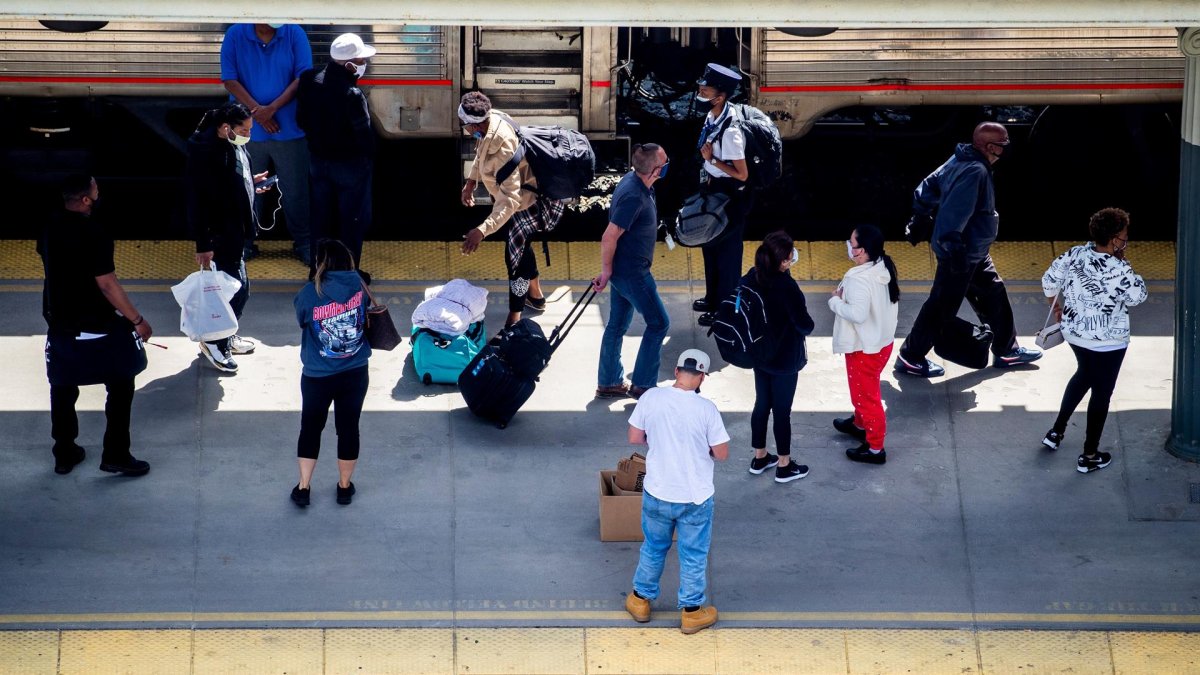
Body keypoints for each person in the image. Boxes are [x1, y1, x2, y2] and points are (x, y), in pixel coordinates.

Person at [894, 121, 1042, 377]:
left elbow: (929, 184)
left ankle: (1007, 349)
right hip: (960, 254)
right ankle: (911, 357)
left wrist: (921, 214)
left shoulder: (961, 157)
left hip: (974, 252)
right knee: (940, 307)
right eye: (1002, 146)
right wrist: (954, 250)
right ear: (990, 147)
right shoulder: (975, 171)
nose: (1004, 152)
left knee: (994, 293)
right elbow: (953, 216)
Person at [38, 175, 153, 477]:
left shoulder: (50, 227)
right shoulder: (95, 233)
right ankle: (116, 453)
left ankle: (64, 452)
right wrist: (137, 320)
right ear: (87, 200)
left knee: (62, 386)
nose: (99, 193)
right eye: (96, 190)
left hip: (60, 321)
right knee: (121, 384)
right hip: (98, 322)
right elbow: (106, 284)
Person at [623, 349, 729, 635]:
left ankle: (640, 601)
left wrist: (658, 439)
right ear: (702, 377)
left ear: (677, 371)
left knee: (654, 546)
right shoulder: (706, 409)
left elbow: (634, 437)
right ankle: (692, 613)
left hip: (658, 491)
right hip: (695, 497)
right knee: (693, 553)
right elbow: (721, 453)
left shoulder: (651, 398)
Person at [1040, 208, 1147, 473]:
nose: (1126, 239)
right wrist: (1127, 267)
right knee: (1102, 393)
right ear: (1114, 240)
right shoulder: (1120, 268)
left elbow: (1049, 281)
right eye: (1123, 236)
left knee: (1083, 376)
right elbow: (1138, 296)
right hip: (1109, 343)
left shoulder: (1075, 253)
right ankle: (1089, 455)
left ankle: (1056, 432)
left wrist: (1056, 309)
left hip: (1075, 334)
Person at [458, 91, 569, 327]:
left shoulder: (503, 147)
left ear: (476, 123)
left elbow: (510, 201)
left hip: (528, 205)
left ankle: (515, 316)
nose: (466, 131)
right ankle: (536, 296)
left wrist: (482, 230)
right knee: (523, 250)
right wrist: (471, 182)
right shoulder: (492, 120)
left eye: (466, 126)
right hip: (521, 199)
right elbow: (481, 152)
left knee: (515, 260)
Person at [221, 22, 314, 264]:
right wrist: (258, 112)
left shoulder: (294, 33)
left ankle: (304, 242)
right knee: (245, 189)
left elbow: (303, 77)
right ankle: (244, 244)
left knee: (296, 191)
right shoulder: (235, 34)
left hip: (289, 127)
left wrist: (269, 110)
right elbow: (229, 79)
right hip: (247, 128)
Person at [186, 102, 268, 373]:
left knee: (237, 288)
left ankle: (226, 336)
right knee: (231, 290)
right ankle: (215, 343)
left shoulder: (230, 144)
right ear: (225, 128)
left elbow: (231, 177)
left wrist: (249, 184)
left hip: (234, 229)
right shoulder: (206, 152)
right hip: (220, 232)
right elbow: (197, 200)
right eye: (244, 129)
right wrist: (203, 244)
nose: (248, 135)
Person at [292, 239, 372, 506]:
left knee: (310, 428)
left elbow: (302, 319)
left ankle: (304, 488)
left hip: (317, 374)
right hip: (355, 371)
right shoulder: (360, 286)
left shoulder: (308, 293)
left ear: (320, 264)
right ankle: (344, 487)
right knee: (349, 428)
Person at [592, 143, 671, 400]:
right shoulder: (634, 197)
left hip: (622, 271)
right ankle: (643, 384)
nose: (667, 166)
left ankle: (609, 381)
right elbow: (609, 236)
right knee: (659, 323)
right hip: (633, 274)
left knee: (616, 325)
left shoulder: (632, 179)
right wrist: (606, 271)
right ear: (654, 171)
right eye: (664, 164)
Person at [297, 33, 376, 272]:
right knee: (351, 221)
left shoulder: (309, 80)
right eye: (361, 60)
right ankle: (348, 272)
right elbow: (364, 134)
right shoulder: (352, 94)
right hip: (350, 166)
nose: (364, 65)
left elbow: (300, 120)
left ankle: (318, 271)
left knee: (321, 220)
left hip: (318, 162)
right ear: (350, 64)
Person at [743, 231, 815, 483]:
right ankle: (784, 465)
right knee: (782, 411)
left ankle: (760, 456)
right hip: (784, 359)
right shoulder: (786, 286)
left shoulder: (752, 277)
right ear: (784, 261)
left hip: (760, 354)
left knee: (762, 404)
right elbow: (805, 325)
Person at [829, 224, 901, 464]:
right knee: (864, 392)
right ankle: (859, 424)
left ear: (862, 251)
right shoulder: (882, 267)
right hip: (880, 343)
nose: (849, 246)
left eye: (852, 243)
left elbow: (857, 314)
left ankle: (875, 448)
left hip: (864, 349)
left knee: (866, 398)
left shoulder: (859, 280)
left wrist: (835, 302)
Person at [691, 63, 752, 329]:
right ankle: (712, 297)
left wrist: (712, 159)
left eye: (705, 92)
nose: (700, 95)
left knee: (726, 256)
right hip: (714, 190)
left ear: (720, 96)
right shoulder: (714, 117)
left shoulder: (731, 132)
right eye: (700, 90)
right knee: (710, 246)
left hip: (730, 197)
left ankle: (723, 310)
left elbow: (742, 174)